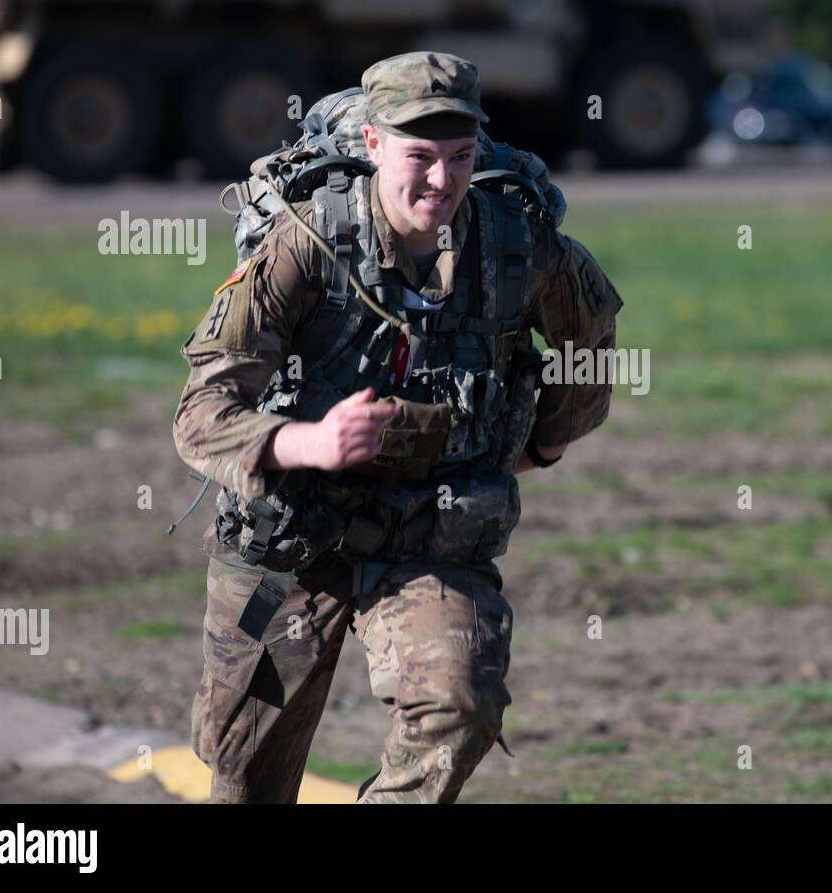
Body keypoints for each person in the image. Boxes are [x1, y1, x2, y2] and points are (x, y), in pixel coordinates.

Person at [172, 51, 623, 803]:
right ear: (375, 146)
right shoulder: (307, 246)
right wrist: (306, 443)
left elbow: (592, 340)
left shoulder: (515, 244)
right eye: (420, 157)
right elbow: (200, 413)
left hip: (431, 539)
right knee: (245, 769)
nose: (442, 183)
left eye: (459, 157)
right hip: (291, 547)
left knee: (459, 707)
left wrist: (545, 440)